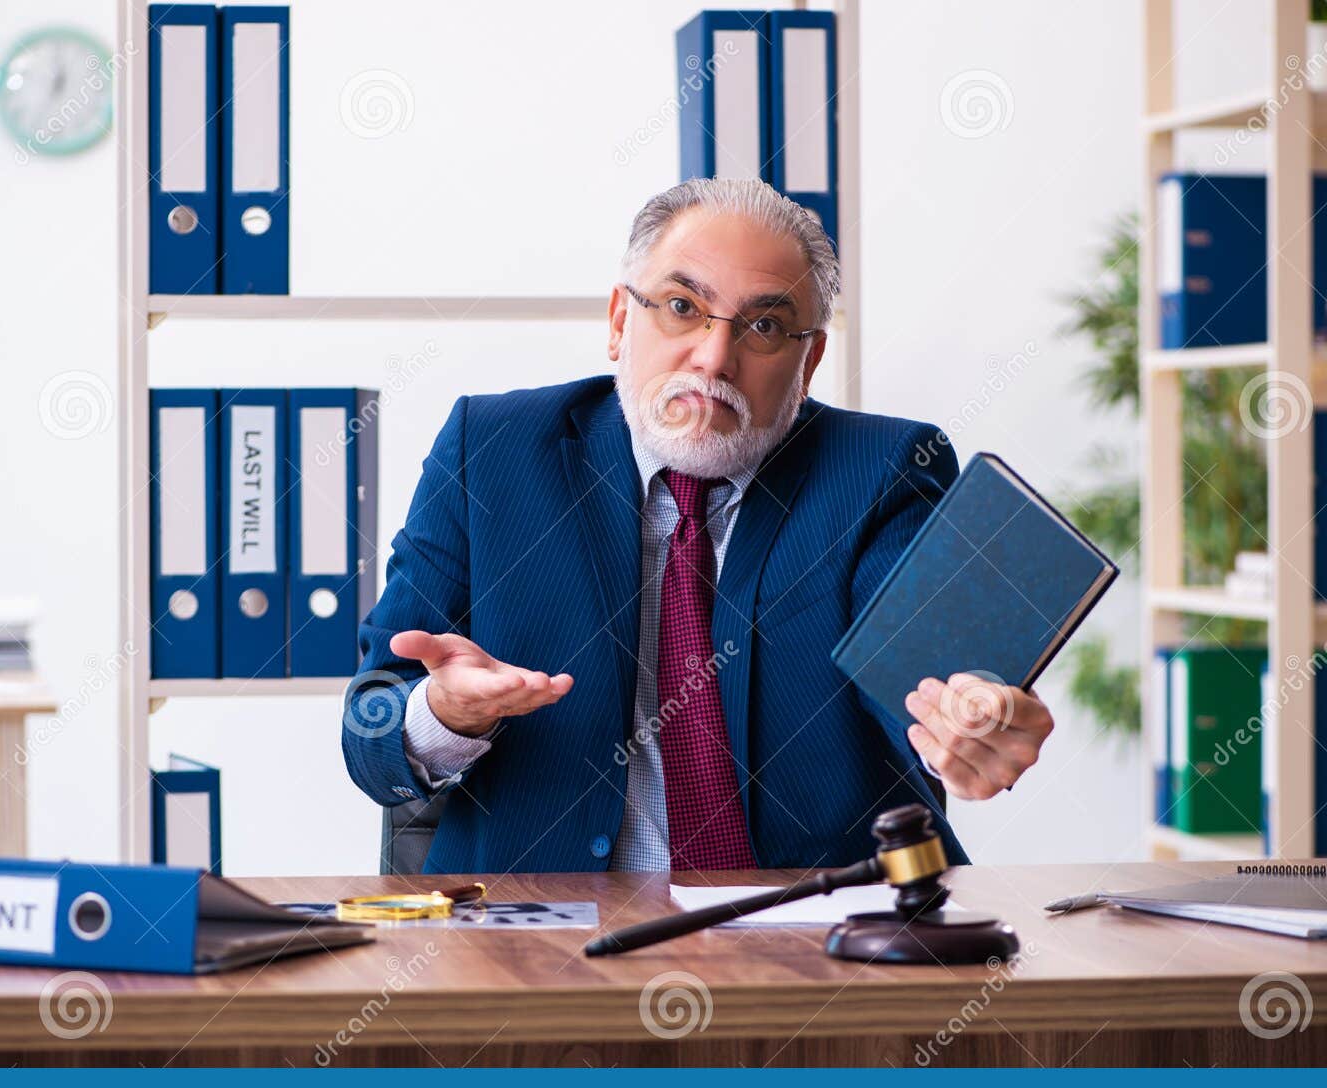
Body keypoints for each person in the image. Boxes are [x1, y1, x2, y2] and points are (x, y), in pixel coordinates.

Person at [341, 176, 1053, 874]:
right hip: (544, 950)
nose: (715, 358)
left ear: (809, 360)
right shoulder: (493, 449)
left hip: (812, 947)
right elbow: (368, 733)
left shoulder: (881, 470)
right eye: (682, 306)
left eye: (765, 326)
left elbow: (920, 671)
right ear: (621, 321)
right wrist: (444, 714)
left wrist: (970, 721)